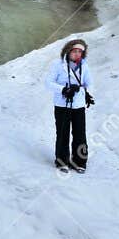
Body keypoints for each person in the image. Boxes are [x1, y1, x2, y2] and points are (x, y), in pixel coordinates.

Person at [46, 38, 94, 173]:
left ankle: (80, 162)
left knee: (80, 134)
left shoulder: (84, 65)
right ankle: (62, 161)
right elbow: (48, 83)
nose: (77, 54)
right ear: (68, 50)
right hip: (62, 104)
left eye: (80, 52)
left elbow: (89, 82)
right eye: (75, 51)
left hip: (78, 104)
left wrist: (86, 92)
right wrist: (63, 89)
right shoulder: (58, 64)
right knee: (62, 133)